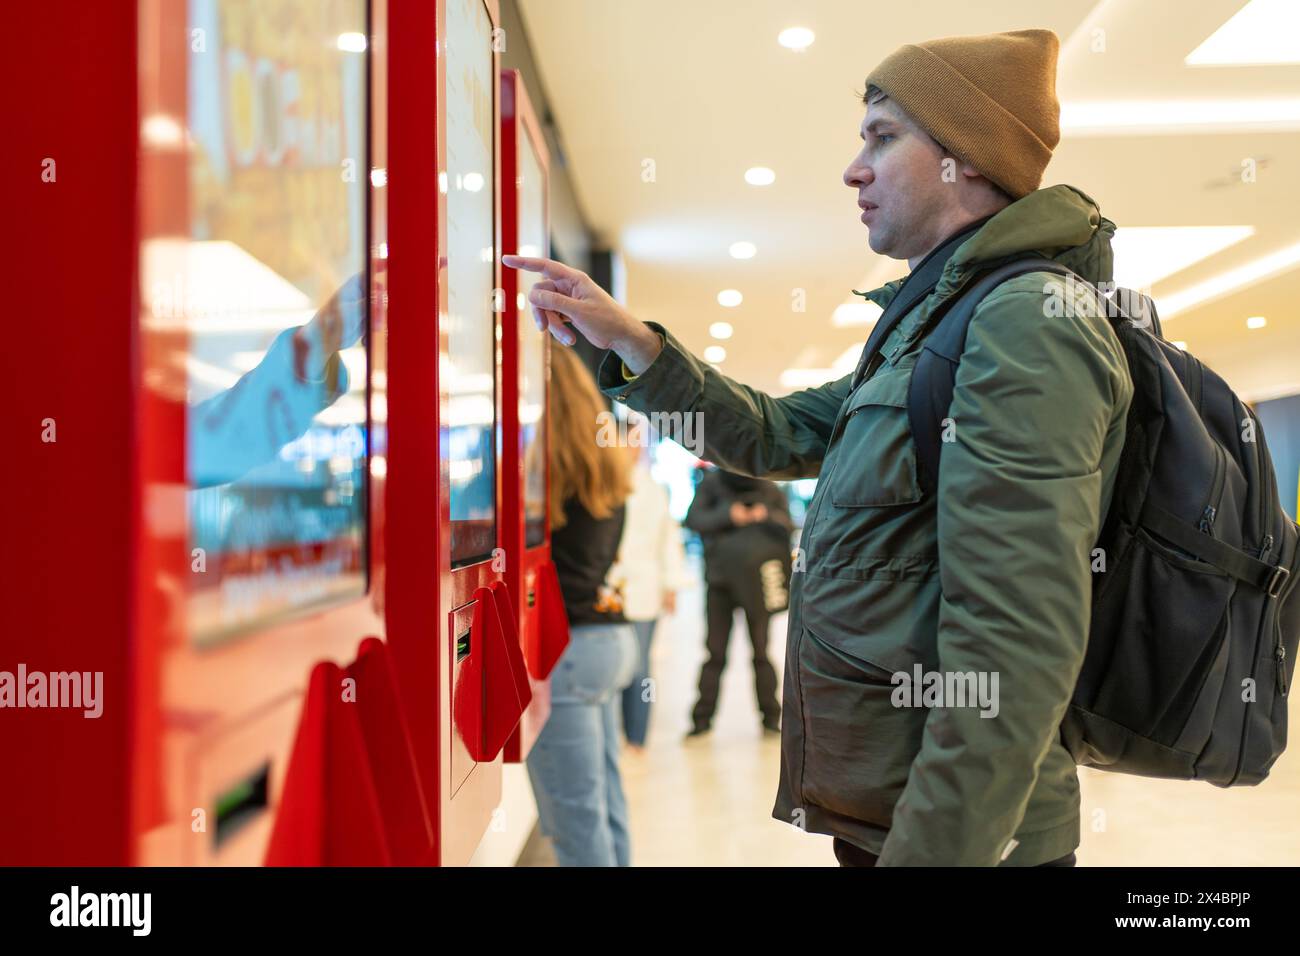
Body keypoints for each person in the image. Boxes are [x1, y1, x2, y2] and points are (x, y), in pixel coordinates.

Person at [506, 29, 1134, 867]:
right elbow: (775, 432)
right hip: (889, 812)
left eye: (883, 137)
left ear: (969, 160)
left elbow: (1016, 647)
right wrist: (632, 343)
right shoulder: (930, 325)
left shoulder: (1024, 326)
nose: (854, 168)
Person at [525, 344, 639, 867]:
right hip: (610, 642)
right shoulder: (603, 466)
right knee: (604, 799)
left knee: (574, 818)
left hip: (565, 650)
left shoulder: (542, 475)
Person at [683, 467, 792, 739]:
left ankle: (770, 718)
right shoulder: (712, 483)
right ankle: (702, 719)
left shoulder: (768, 486)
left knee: (761, 653)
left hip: (757, 584)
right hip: (720, 583)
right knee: (715, 653)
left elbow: (787, 524)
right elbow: (694, 519)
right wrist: (729, 515)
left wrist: (764, 515)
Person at [607, 412, 689, 753]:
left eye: (639, 441)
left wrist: (671, 584)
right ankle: (612, 734)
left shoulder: (653, 488)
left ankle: (637, 736)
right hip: (610, 590)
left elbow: (667, 538)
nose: (636, 448)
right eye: (631, 441)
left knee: (641, 668)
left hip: (645, 590)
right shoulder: (604, 485)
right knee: (614, 666)